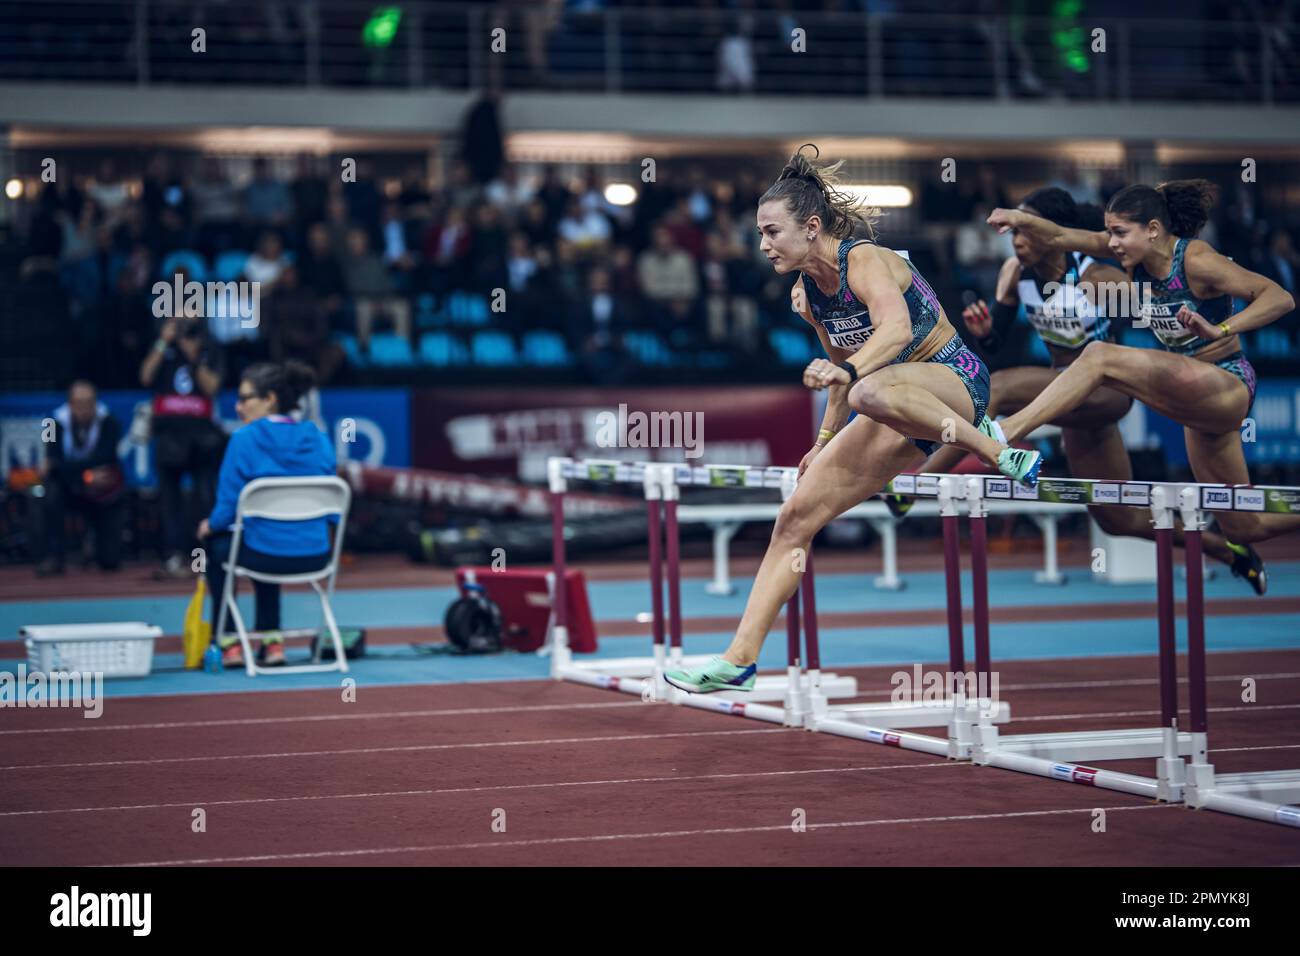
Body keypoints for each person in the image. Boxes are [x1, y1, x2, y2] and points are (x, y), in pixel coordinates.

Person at [664, 145, 1034, 694]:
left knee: (870, 389)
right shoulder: (809, 293)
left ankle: (995, 449)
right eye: (760, 235)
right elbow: (842, 373)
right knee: (795, 517)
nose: (762, 245)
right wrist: (824, 438)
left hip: (955, 384)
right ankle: (739, 659)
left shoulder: (864, 260)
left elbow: (897, 331)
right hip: (889, 403)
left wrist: (853, 375)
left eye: (772, 233)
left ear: (811, 227)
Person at [908, 188, 1266, 593]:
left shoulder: (1096, 277)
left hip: (1105, 393)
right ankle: (1229, 550)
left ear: (1049, 233)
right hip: (1064, 396)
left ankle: (916, 483)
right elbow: (994, 344)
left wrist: (1200, 304)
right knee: (1117, 519)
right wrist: (985, 332)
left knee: (1000, 387)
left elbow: (1151, 303)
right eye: (1013, 234)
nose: (1017, 241)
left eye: (1024, 231)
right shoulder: (1014, 274)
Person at [988, 180, 1300, 547]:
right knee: (1244, 528)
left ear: (1153, 230)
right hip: (1193, 396)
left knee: (1099, 356)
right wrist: (1016, 217)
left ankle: (1005, 433)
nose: (1111, 243)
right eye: (1108, 233)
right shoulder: (1130, 257)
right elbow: (1057, 236)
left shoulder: (1195, 259)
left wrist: (1222, 329)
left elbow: (1279, 298)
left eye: (1120, 233)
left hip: (1226, 382)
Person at [198, 361, 336, 668]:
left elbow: (226, 509)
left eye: (245, 398)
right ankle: (273, 643)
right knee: (262, 532)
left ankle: (229, 643)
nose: (237, 407)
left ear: (270, 399)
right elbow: (335, 515)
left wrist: (208, 526)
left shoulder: (242, 440)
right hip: (317, 557)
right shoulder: (319, 438)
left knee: (222, 542)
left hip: (264, 555)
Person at [139, 311, 225, 579]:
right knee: (170, 502)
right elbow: (145, 376)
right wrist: (163, 341)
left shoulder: (210, 349)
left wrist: (194, 357)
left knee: (204, 500)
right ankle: (173, 557)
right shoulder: (163, 349)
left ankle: (202, 559)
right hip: (168, 438)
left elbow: (211, 387)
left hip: (202, 439)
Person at [36, 381, 125, 576]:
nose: (84, 409)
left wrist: (67, 469)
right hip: (67, 489)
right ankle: (53, 555)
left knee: (110, 562)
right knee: (50, 492)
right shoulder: (50, 423)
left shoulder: (110, 422)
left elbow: (107, 457)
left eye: (89, 403)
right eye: (79, 403)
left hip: (99, 492)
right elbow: (51, 461)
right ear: (70, 403)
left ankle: (103, 550)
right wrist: (86, 475)